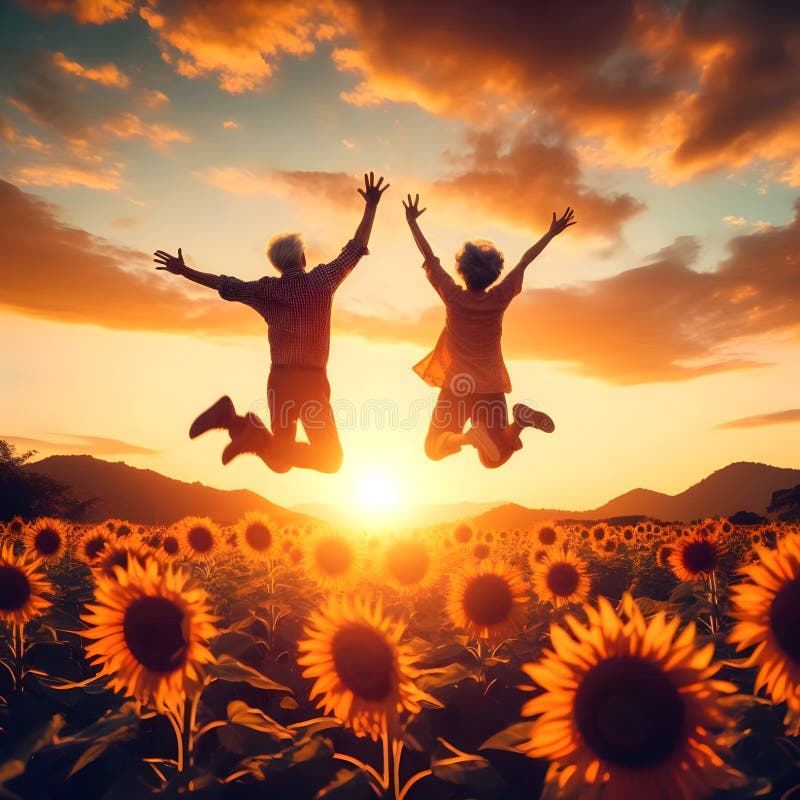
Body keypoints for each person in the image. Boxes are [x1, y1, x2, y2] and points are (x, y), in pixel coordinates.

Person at [154, 172, 389, 473]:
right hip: (311, 383)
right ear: (303, 257)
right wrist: (371, 206)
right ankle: (248, 432)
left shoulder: (265, 290)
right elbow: (355, 249)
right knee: (330, 461)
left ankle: (234, 421)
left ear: (277, 264)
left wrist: (185, 271)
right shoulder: (322, 281)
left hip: (279, 381)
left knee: (280, 461)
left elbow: (224, 284)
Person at [403, 193, 575, 468]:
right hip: (491, 387)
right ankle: (518, 424)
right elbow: (525, 261)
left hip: (457, 387)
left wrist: (412, 222)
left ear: (462, 270)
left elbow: (429, 257)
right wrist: (551, 233)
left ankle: (467, 438)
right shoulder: (499, 298)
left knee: (433, 448)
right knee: (492, 457)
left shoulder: (453, 296)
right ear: (494, 273)